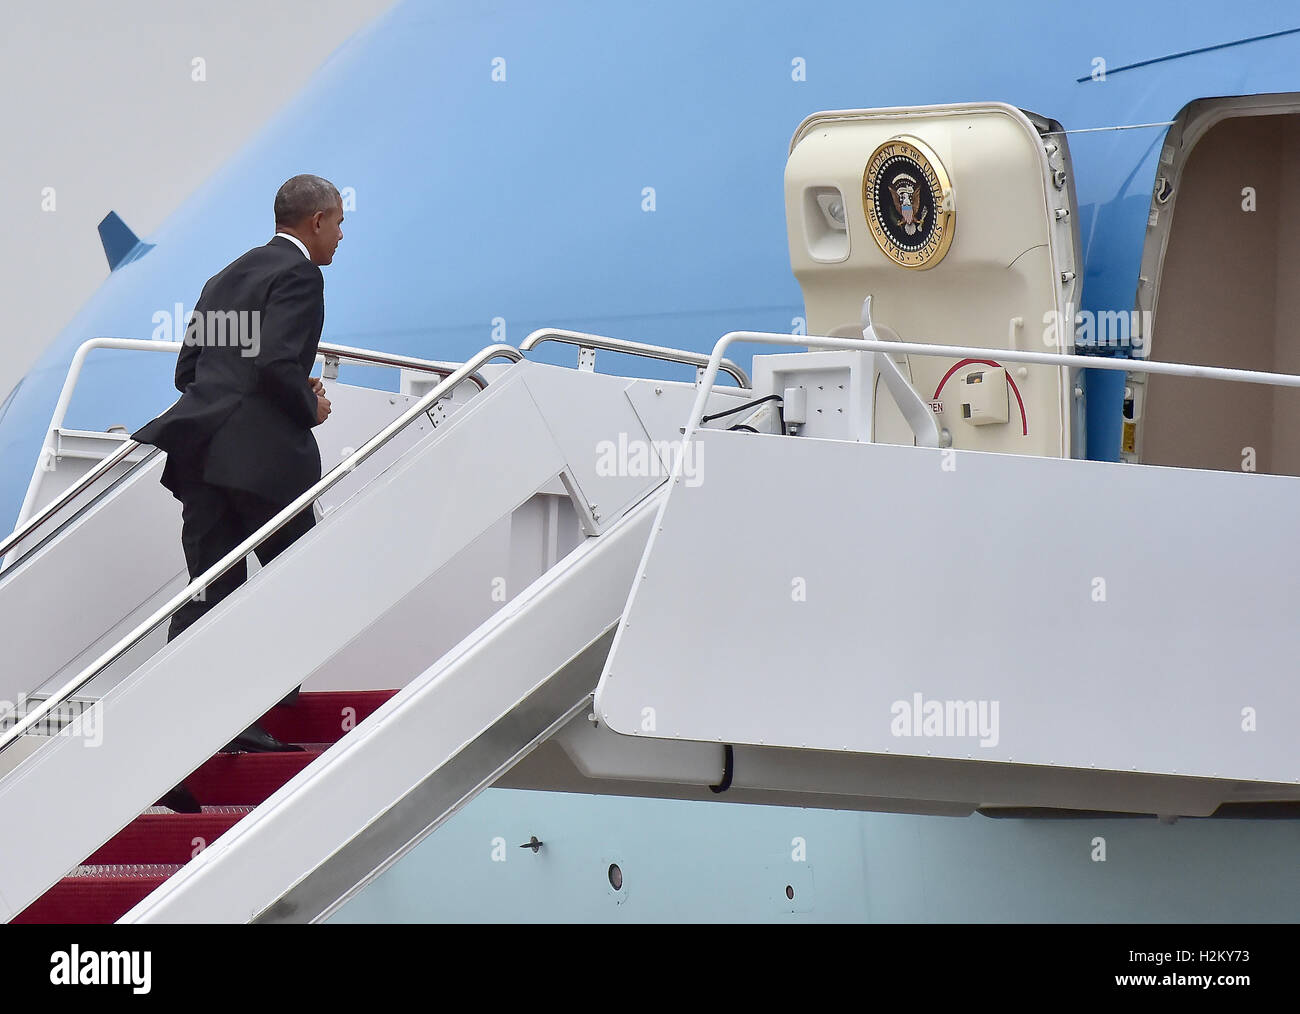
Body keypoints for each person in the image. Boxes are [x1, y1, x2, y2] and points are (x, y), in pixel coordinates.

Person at [132, 175, 343, 812]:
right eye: (338, 224)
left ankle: (165, 748)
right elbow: (278, 366)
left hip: (203, 454)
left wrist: (253, 389)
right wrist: (311, 404)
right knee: (290, 583)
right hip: (262, 461)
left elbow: (190, 371)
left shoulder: (223, 278)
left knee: (209, 596)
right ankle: (250, 717)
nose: (340, 237)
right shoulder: (302, 277)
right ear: (313, 221)